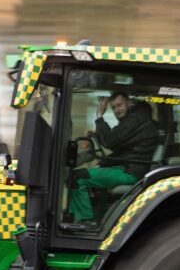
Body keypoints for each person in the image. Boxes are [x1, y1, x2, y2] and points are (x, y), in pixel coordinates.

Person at [67, 91, 161, 224]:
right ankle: (95, 217)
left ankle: (83, 221)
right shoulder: (138, 118)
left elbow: (109, 141)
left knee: (77, 177)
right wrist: (97, 136)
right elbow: (118, 145)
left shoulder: (134, 119)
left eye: (119, 105)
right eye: (114, 107)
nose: (117, 110)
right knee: (92, 170)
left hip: (130, 172)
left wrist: (99, 116)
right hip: (129, 167)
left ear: (129, 102)